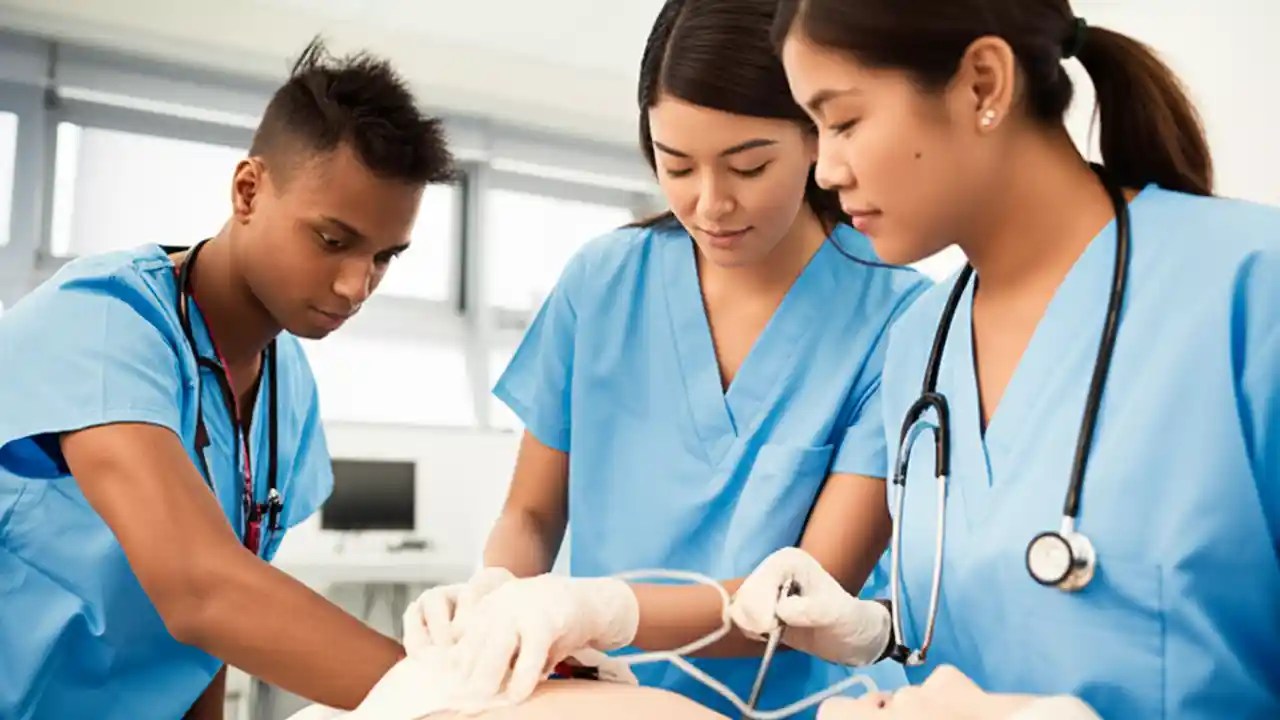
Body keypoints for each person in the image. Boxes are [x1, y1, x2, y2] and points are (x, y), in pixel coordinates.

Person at [724, 0, 1280, 718]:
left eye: (844, 121)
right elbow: (999, 622)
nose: (824, 169)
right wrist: (877, 631)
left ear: (984, 84)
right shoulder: (919, 344)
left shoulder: (1251, 288)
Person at [407, 0, 927, 716]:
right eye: (676, 165)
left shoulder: (899, 317)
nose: (710, 203)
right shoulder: (603, 282)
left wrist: (605, 608)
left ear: (816, 135)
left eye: (748, 165)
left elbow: (811, 598)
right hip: (610, 700)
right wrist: (494, 589)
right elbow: (530, 513)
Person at [0, 39, 456, 717]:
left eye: (385, 256)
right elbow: (201, 591)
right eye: (333, 240)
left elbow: (221, 628)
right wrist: (462, 693)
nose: (356, 285)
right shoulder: (103, 324)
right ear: (248, 190)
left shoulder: (287, 390)